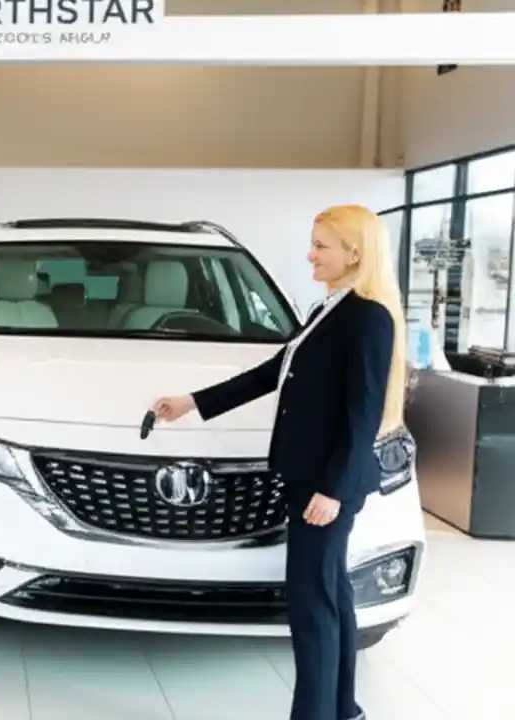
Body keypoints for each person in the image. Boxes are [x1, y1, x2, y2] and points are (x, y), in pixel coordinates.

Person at [151, 204, 403, 720]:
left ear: (354, 253)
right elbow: (274, 372)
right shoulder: (328, 310)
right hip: (311, 478)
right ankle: (341, 707)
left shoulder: (367, 317)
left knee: (311, 604)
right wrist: (193, 402)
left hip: (324, 486)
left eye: (321, 246)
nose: (310, 255)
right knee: (330, 595)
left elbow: (363, 415)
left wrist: (333, 491)